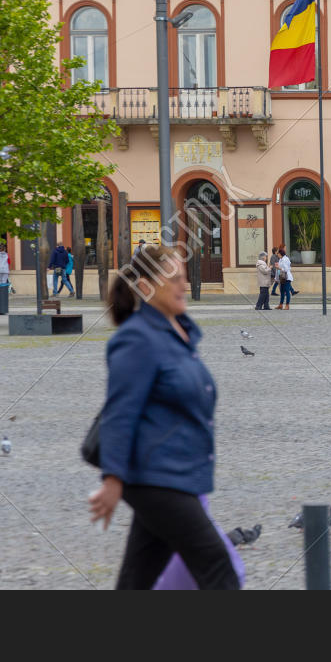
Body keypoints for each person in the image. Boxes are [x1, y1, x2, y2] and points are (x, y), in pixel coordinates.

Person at [87, 243, 237, 590]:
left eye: (183, 277)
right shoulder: (136, 340)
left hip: (176, 473)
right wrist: (112, 479)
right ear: (144, 288)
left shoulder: (179, 337)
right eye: (173, 279)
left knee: (136, 581)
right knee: (219, 570)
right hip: (158, 479)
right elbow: (120, 414)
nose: (183, 285)